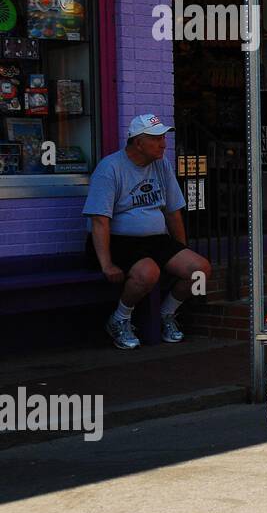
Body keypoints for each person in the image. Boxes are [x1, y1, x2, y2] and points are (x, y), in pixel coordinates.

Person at [83, 113, 212, 349]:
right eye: (156, 139)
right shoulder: (110, 168)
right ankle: (119, 319)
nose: (163, 144)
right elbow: (99, 220)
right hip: (119, 241)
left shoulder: (161, 164)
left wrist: (180, 248)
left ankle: (167, 313)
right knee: (148, 273)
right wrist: (106, 264)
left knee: (200, 272)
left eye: (163, 137)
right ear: (138, 142)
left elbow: (173, 211)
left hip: (157, 240)